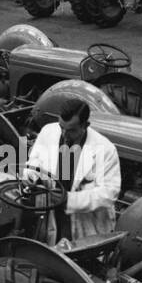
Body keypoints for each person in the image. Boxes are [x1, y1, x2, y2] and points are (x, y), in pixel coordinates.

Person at [23, 99, 121, 246]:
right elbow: (34, 161)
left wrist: (69, 200)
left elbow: (109, 193)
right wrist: (31, 176)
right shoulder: (48, 131)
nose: (64, 134)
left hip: (85, 222)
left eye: (71, 130)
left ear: (85, 126)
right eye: (61, 127)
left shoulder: (105, 149)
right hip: (53, 215)